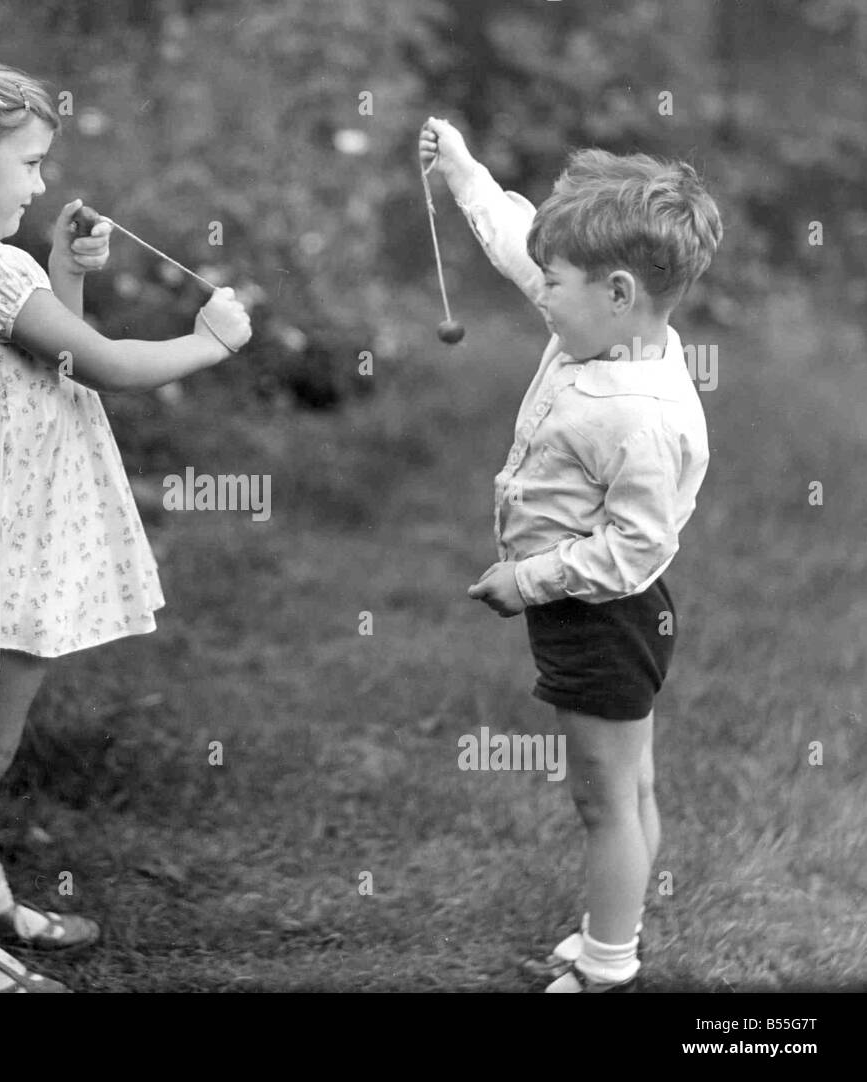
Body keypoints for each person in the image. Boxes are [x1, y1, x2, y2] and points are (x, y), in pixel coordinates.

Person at [0, 28, 252, 993]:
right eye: (27, 165)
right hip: (2, 537)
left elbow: (49, 350)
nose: (37, 186)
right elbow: (100, 363)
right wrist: (210, 343)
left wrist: (67, 268)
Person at [420, 116, 722, 992]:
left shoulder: (641, 415)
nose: (538, 295)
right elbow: (526, 249)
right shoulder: (594, 325)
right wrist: (467, 174)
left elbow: (633, 550)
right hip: (599, 615)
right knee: (628, 790)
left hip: (604, 616)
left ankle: (607, 964)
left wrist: (529, 578)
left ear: (619, 291)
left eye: (555, 285)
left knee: (606, 800)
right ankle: (611, 923)